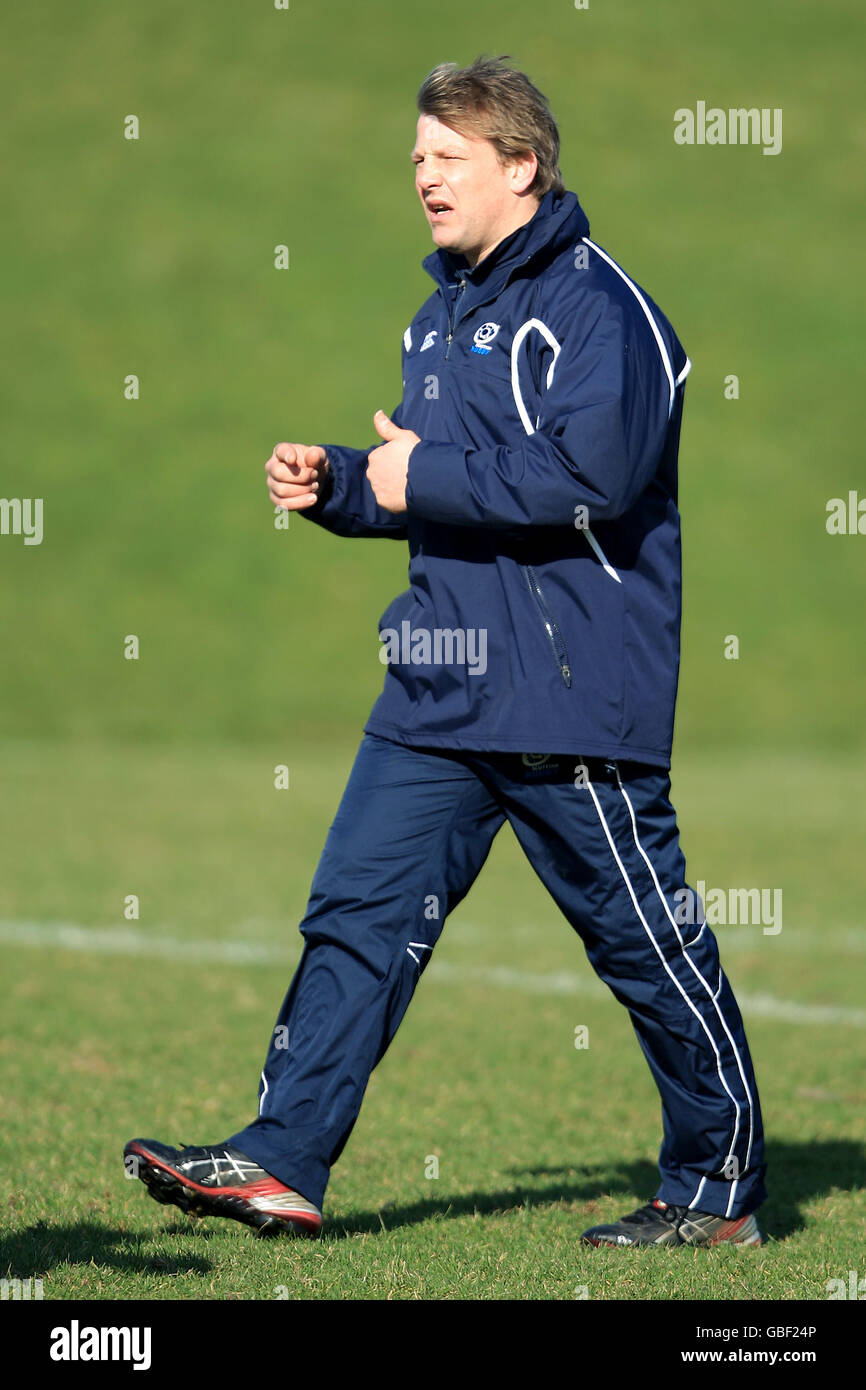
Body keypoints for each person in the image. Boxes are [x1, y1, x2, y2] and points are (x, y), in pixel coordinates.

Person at [125, 56, 766, 1248]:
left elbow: (591, 480)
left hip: (568, 697)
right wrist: (340, 485)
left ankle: (715, 1192)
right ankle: (280, 1159)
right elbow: (440, 488)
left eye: (447, 156)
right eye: (416, 155)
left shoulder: (598, 308)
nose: (421, 175)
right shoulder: (439, 315)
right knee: (355, 916)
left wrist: (417, 473)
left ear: (519, 167)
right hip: (436, 683)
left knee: (645, 949)